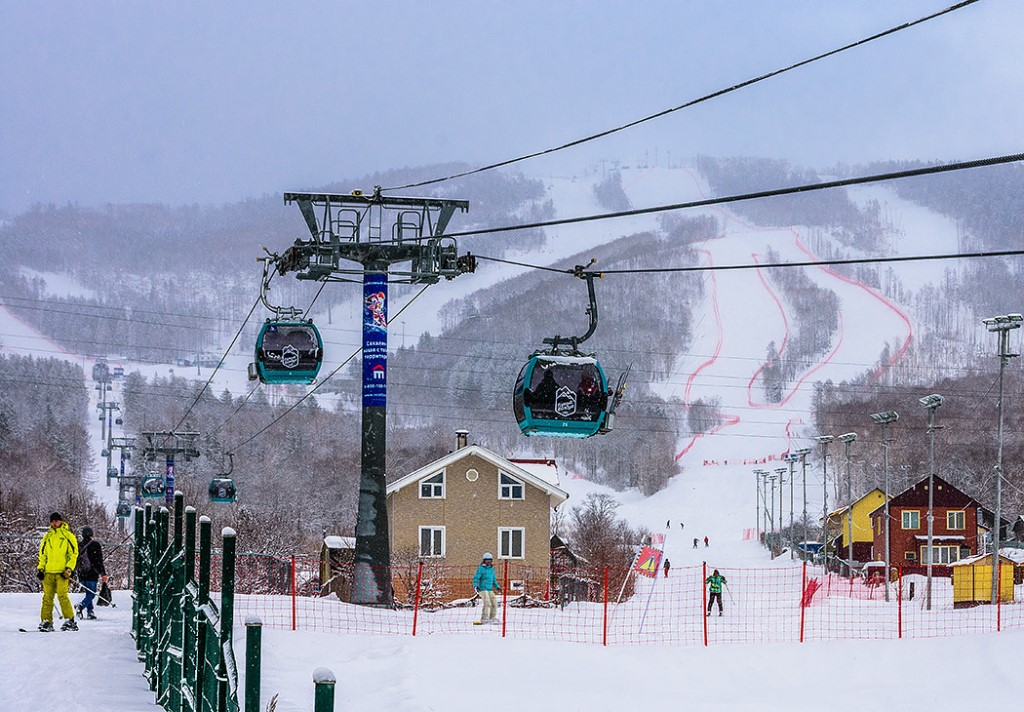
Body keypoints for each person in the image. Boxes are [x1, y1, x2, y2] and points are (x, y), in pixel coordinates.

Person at [36, 512, 79, 632]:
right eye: (53, 521)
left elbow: (73, 554)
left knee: (62, 596)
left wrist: (69, 569)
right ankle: (46, 621)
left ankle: (70, 619)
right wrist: (41, 568)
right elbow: (43, 554)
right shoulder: (47, 537)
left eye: (57, 520)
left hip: (62, 573)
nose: (55, 523)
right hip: (48, 572)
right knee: (47, 598)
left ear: (61, 521)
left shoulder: (68, 536)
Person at [75, 526, 107, 620]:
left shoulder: (79, 545)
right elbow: (99, 560)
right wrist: (103, 573)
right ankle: (81, 606)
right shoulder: (96, 545)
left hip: (82, 573)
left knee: (88, 593)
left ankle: (90, 612)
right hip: (92, 573)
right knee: (92, 593)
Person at [472, 552, 502, 625]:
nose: (488, 562)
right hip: (482, 589)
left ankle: (492, 618)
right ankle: (484, 618)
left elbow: (493, 579)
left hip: (489, 589)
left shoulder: (491, 569)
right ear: (484, 561)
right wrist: (475, 586)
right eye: (487, 560)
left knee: (494, 603)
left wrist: (497, 587)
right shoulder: (481, 568)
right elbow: (476, 578)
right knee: (487, 603)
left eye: (490, 560)